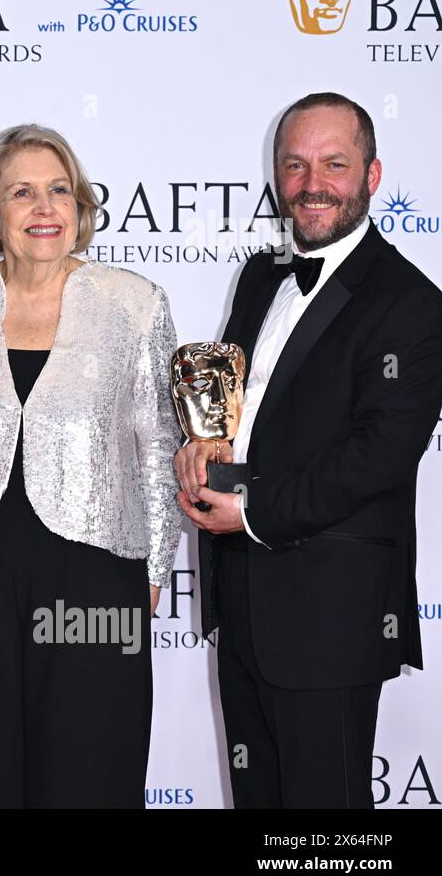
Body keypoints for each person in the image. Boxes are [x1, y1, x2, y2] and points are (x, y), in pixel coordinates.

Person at [176, 92, 442, 808]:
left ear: (373, 175)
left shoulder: (412, 304)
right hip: (244, 601)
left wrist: (252, 511)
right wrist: (202, 443)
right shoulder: (263, 274)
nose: (311, 183)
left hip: (333, 615)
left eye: (334, 163)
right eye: (294, 165)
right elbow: (233, 402)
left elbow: (379, 454)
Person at [0, 124, 180, 807]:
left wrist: (152, 570)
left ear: (81, 206)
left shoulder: (134, 303)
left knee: (91, 770)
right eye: (21, 192)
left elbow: (159, 443)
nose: (44, 207)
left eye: (59, 190)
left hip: (92, 572)